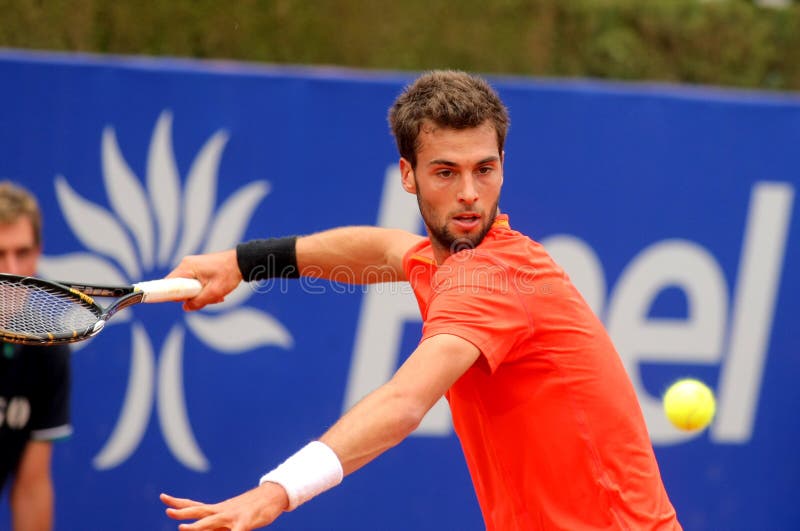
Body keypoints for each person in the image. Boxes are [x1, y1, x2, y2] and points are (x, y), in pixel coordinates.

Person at [161, 70, 681, 530]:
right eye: (446, 172)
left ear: (503, 164)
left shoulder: (492, 276)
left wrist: (274, 494)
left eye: (485, 169)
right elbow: (382, 250)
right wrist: (242, 262)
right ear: (408, 175)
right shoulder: (446, 260)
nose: (470, 193)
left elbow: (405, 402)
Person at [0, 181, 72, 531]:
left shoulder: (48, 348)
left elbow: (30, 487)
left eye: (22, 252)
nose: (11, 269)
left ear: (38, 253)